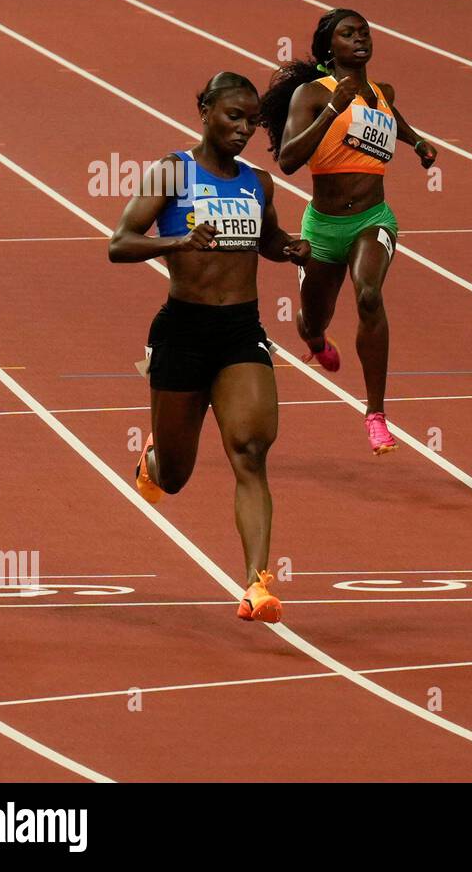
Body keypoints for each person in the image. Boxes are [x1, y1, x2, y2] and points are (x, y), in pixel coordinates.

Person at [109, 72, 310, 622]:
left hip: (240, 332)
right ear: (204, 111)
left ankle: (257, 583)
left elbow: (265, 239)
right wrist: (178, 240)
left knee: (250, 450)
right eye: (233, 117)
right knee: (174, 476)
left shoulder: (258, 184)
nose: (244, 129)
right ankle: (153, 457)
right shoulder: (172, 172)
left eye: (252, 121)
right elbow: (119, 243)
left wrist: (289, 247)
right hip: (183, 332)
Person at [259, 8, 437, 455]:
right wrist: (332, 109)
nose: (360, 38)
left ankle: (375, 414)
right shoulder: (312, 95)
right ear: (328, 46)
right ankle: (315, 338)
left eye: (364, 32)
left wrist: (416, 143)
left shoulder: (380, 92)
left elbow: (390, 113)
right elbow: (288, 160)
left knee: (368, 295)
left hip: (372, 220)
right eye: (347, 33)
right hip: (322, 226)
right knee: (313, 316)